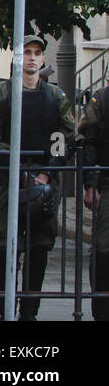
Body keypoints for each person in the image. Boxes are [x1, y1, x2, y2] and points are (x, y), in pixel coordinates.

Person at [0, 34, 74, 320]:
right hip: (12, 182)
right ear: (17, 58)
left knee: (39, 248)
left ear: (44, 59)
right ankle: (5, 311)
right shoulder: (1, 93)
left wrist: (47, 172)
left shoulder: (55, 96)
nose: (32, 57)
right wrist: (21, 172)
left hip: (46, 182)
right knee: (7, 248)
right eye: (26, 52)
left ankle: (29, 313)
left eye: (37, 53)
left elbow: (65, 136)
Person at [77, 77, 109, 321]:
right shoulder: (102, 99)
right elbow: (87, 142)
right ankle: (101, 311)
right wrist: (90, 184)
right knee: (103, 248)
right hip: (107, 185)